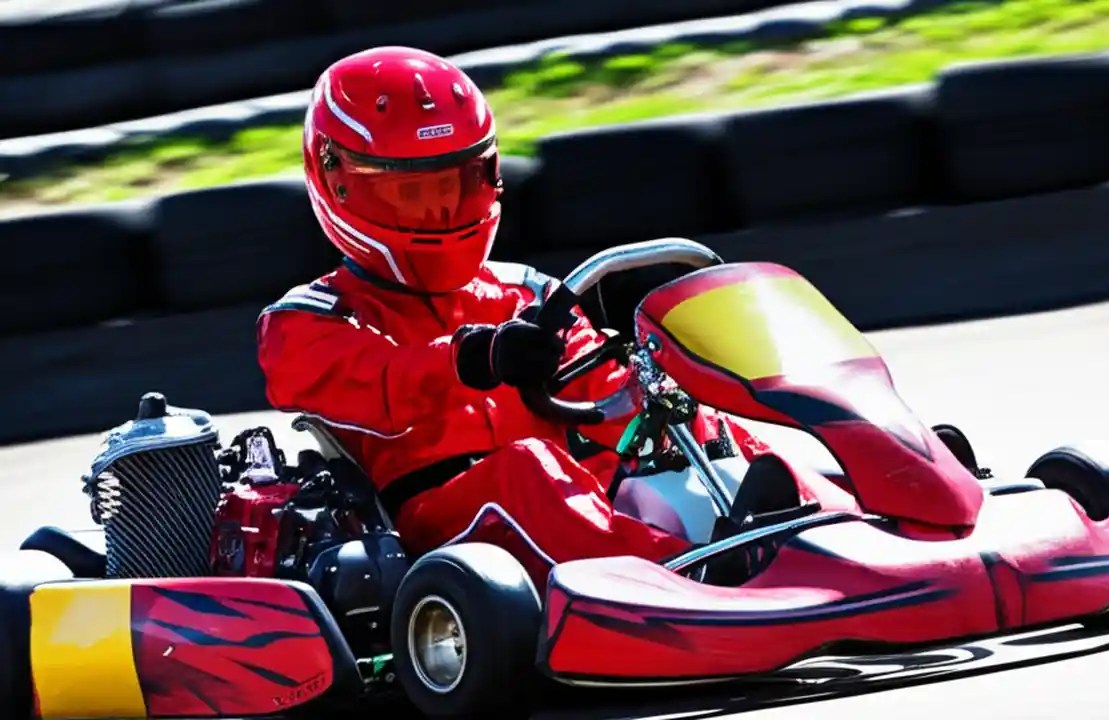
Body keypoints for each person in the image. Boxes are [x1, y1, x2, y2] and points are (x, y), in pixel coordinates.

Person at [256, 46, 849, 584]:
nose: (441, 211)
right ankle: (686, 578)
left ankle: (848, 528)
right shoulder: (308, 320)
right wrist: (474, 357)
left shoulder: (522, 291)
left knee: (690, 419)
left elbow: (604, 394)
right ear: (337, 185)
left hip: (569, 499)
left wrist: (654, 402)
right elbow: (381, 381)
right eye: (411, 195)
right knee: (527, 468)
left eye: (457, 186)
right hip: (436, 531)